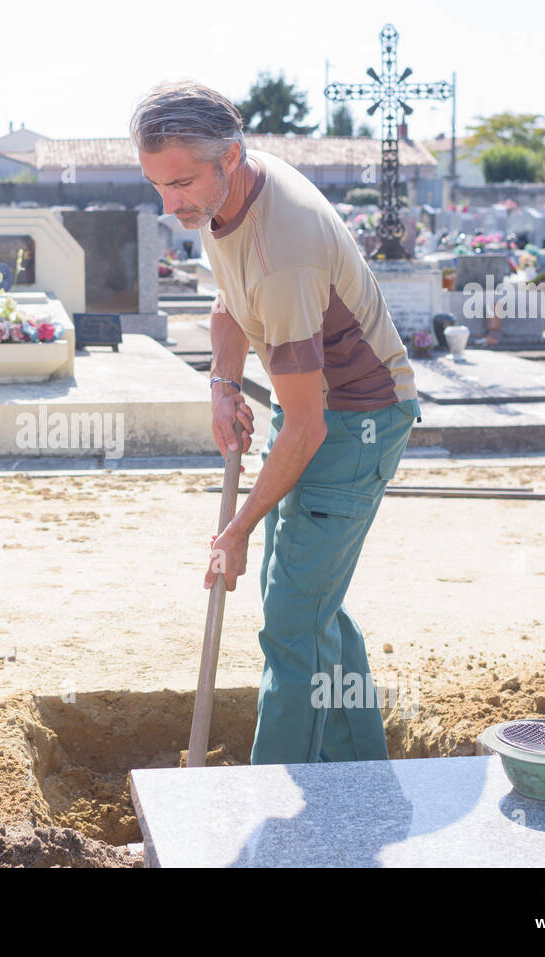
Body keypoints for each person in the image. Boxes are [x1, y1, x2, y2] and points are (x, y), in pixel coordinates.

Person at [131, 80, 422, 764]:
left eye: (180, 184)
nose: (170, 205)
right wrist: (223, 382)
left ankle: (273, 800)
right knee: (306, 597)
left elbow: (308, 430)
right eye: (157, 187)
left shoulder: (281, 247)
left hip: (357, 421)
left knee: (292, 621)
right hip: (315, 407)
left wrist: (237, 528)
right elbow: (231, 304)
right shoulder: (225, 198)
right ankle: (359, 772)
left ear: (230, 156)